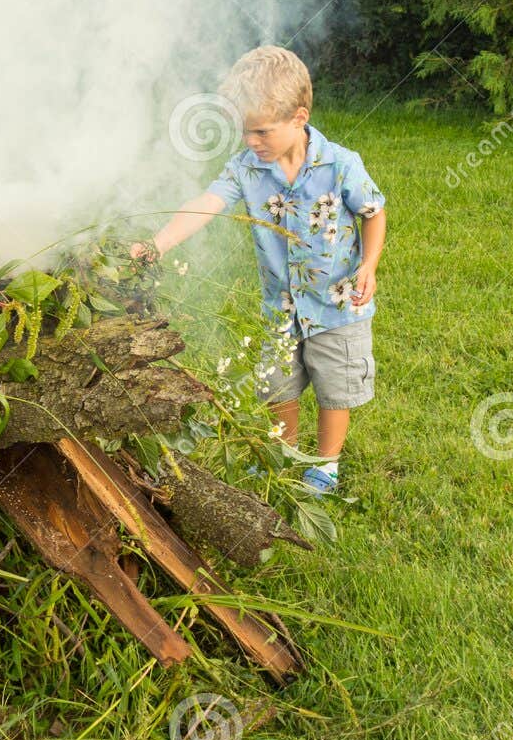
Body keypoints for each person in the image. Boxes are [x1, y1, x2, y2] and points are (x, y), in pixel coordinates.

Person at [133, 46, 386, 493]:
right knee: (278, 386)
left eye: (261, 131)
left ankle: (326, 464)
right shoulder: (247, 169)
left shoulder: (341, 165)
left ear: (298, 117)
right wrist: (158, 243)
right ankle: (281, 452)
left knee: (335, 387)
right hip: (280, 308)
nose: (251, 141)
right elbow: (206, 205)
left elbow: (373, 211)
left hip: (338, 304)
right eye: (244, 131)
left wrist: (369, 264)